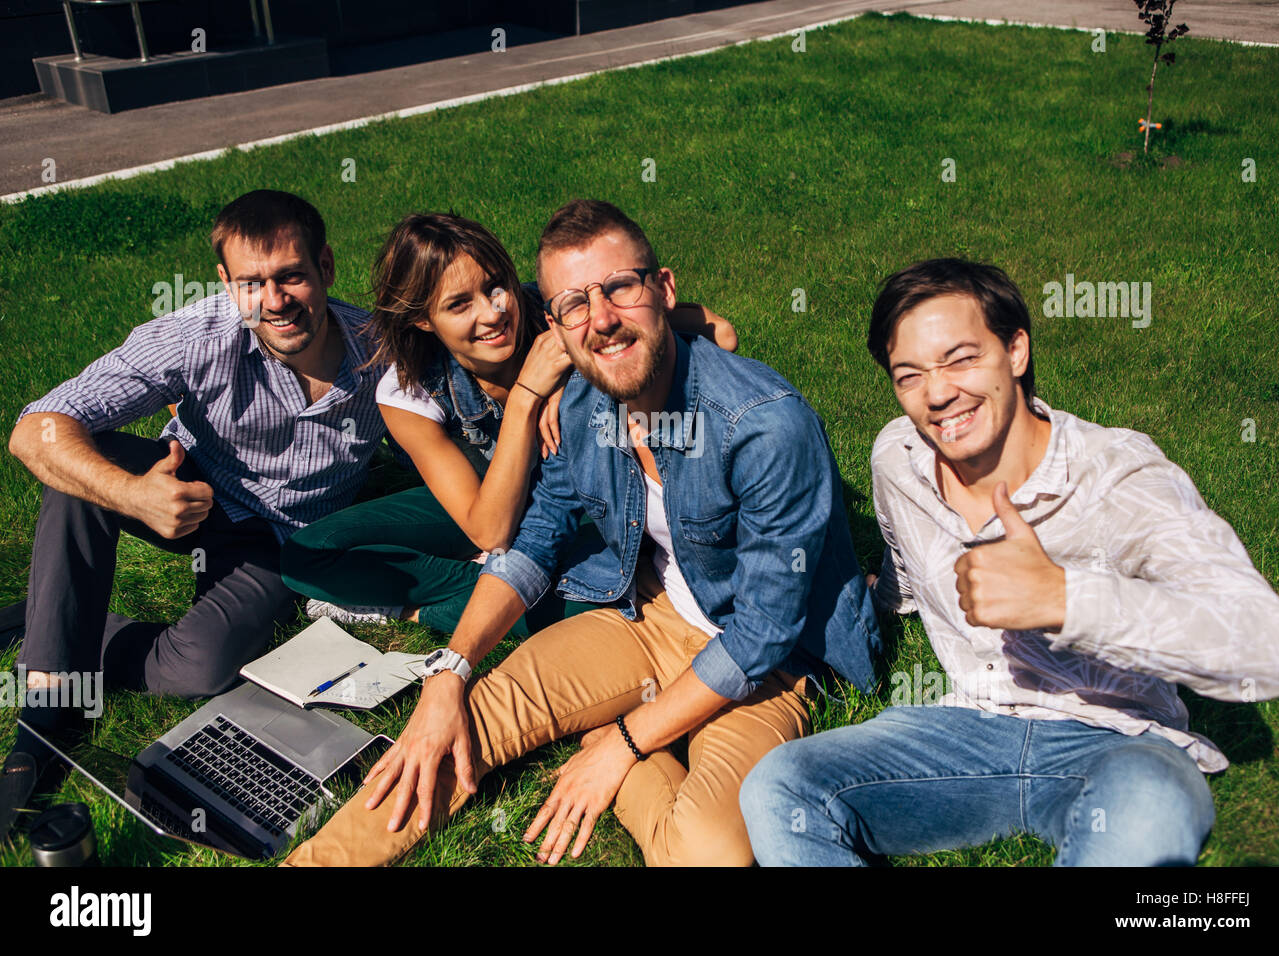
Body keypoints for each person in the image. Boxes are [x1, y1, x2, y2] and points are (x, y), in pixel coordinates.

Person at [281, 199, 881, 866]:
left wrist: (623, 746)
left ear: (664, 288)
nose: (600, 321)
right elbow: (534, 535)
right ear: (556, 320)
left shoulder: (766, 427)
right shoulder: (588, 394)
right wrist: (449, 671)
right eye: (574, 304)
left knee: (710, 851)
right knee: (450, 732)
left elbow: (762, 635)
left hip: (769, 666)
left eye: (619, 288)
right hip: (641, 616)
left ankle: (608, 740)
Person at [739, 258, 1279, 866]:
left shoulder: (1117, 475)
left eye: (961, 358)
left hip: (1120, 743)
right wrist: (884, 596)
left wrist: (1065, 598)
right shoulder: (898, 460)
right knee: (781, 786)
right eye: (909, 375)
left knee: (1143, 827)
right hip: (967, 732)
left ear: (1016, 350)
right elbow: (906, 566)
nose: (937, 393)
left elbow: (1274, 650)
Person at [1, 189, 388, 839]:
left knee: (201, 670)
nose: (274, 299)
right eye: (251, 283)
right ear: (226, 285)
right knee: (74, 468)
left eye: (291, 274)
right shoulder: (194, 336)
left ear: (325, 265)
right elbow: (34, 430)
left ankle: (49, 618)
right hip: (187, 482)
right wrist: (133, 494)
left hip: (276, 536)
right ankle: (47, 708)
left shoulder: (380, 353)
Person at [279, 213, 737, 638]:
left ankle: (428, 606)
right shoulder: (408, 392)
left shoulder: (565, 311)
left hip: (587, 500)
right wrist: (526, 397)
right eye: (459, 305)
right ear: (422, 319)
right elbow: (490, 530)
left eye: (496, 286)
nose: (493, 312)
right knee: (309, 554)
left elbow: (722, 332)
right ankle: (495, 589)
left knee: (601, 601)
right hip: (490, 499)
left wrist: (577, 351)